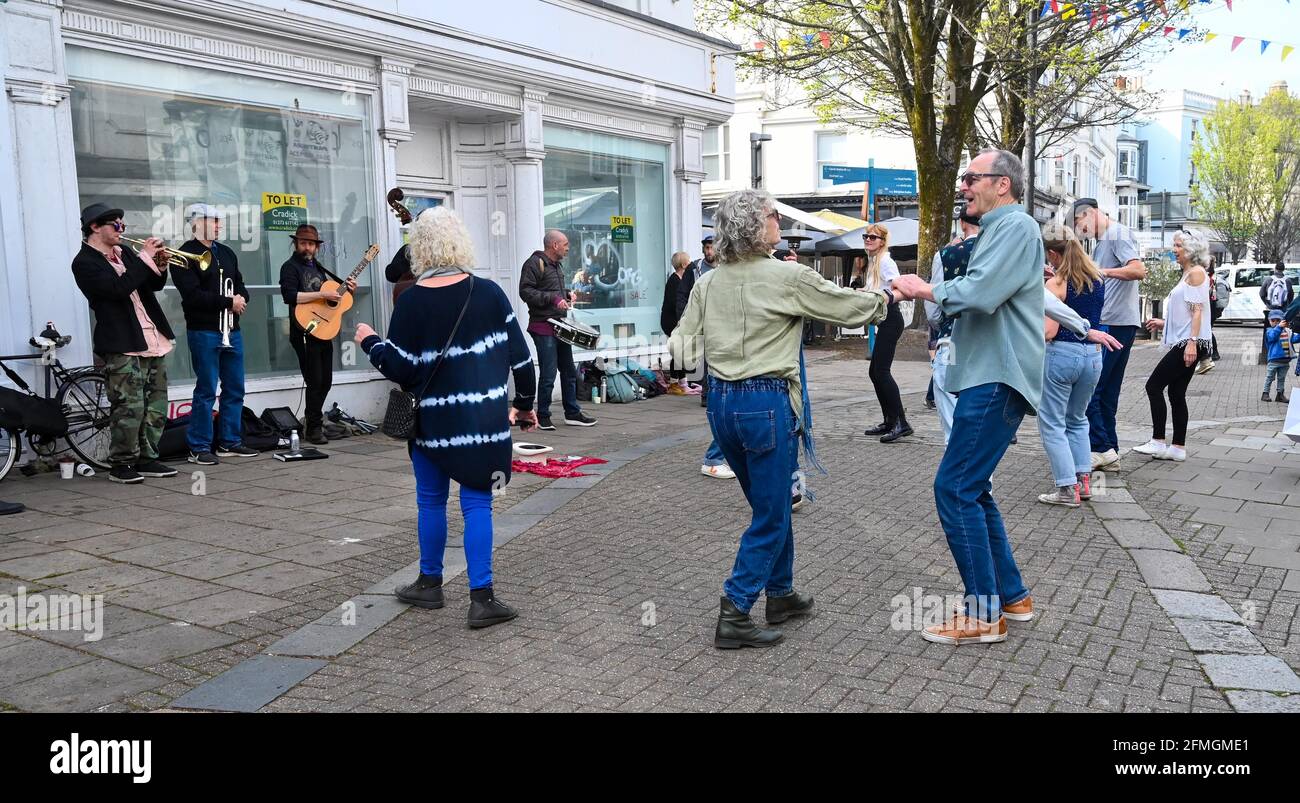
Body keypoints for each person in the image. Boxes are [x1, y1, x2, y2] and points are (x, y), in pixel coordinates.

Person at [670, 188, 889, 650]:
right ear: (755, 225)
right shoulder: (787, 276)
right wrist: (888, 297)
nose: (779, 223)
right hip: (766, 403)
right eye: (773, 216)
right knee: (771, 514)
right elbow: (847, 307)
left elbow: (682, 351)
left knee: (770, 506)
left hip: (722, 405)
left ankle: (781, 594)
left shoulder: (708, 281)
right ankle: (735, 609)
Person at [356, 207, 538, 629]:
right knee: (478, 505)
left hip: (432, 426)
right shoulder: (490, 293)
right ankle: (482, 598)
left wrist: (369, 341)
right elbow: (522, 359)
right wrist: (525, 405)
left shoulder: (412, 300)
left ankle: (429, 583)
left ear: (419, 248)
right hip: (484, 424)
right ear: (461, 242)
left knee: (430, 501)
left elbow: (400, 368)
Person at [891, 148, 1044, 646]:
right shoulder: (1005, 231)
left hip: (995, 378)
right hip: (989, 376)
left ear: (1002, 184)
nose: (963, 186)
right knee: (974, 488)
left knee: (954, 488)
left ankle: (983, 614)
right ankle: (1012, 597)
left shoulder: (1015, 227)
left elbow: (979, 293)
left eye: (971, 178)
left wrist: (924, 288)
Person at [70, 203, 179, 485]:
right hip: (121, 340)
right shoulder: (84, 262)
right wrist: (145, 259)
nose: (121, 230)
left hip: (151, 335)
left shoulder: (126, 253)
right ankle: (121, 463)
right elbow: (117, 290)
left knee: (156, 404)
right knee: (129, 406)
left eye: (123, 225)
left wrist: (160, 265)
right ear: (95, 227)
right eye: (115, 225)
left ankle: (148, 457)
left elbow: (150, 286)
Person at [175, 204, 256, 465]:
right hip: (204, 330)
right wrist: (227, 302)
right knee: (207, 389)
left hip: (232, 330)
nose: (220, 225)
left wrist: (241, 298)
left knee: (235, 389)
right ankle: (198, 446)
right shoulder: (184, 254)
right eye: (215, 221)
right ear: (198, 223)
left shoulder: (227, 253)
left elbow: (240, 284)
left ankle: (230, 441)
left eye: (220, 221)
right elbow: (192, 295)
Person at [1073, 198, 1146, 473]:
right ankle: (1109, 450)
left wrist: (1101, 271)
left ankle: (1101, 448)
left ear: (1090, 214)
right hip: (1118, 323)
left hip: (1113, 324)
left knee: (1091, 388)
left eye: (1080, 224)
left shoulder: (1117, 234)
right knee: (1106, 392)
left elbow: (1138, 269)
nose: (1082, 231)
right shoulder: (1106, 240)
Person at [1036, 224, 1106, 507]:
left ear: (1054, 254)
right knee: (1078, 420)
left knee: (1051, 423)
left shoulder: (1056, 284)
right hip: (1093, 355)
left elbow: (1049, 332)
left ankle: (1067, 488)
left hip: (1062, 356)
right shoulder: (1097, 278)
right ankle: (1084, 481)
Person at [1131, 229, 1214, 463]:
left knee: (1153, 386)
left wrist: (1192, 344)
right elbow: (1190, 312)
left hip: (1187, 343)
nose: (1174, 250)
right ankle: (1177, 448)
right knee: (1177, 393)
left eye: (1178, 245)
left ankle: (1158, 442)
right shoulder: (1188, 272)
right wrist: (1164, 322)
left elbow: (1198, 312)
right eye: (1174, 245)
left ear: (1190, 249)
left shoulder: (1196, 273)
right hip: (1186, 340)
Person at [279, 224, 357, 445]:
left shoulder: (319, 268)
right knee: (314, 381)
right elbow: (289, 296)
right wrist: (321, 292)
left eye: (311, 244)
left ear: (317, 247)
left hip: (324, 330)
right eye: (303, 243)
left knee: (326, 381)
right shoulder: (290, 267)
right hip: (303, 330)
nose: (307, 248)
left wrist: (349, 290)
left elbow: (329, 300)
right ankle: (313, 428)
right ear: (296, 244)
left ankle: (313, 422)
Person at [519, 229, 597, 431]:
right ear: (554, 245)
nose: (568, 248)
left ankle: (572, 413)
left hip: (561, 326)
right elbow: (525, 291)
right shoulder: (534, 263)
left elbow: (553, 290)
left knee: (569, 370)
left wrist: (567, 294)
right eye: (565, 244)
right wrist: (554, 299)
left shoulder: (556, 265)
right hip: (543, 325)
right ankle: (543, 416)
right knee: (548, 372)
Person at [851, 224, 910, 443]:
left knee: (881, 372)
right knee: (875, 372)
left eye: (873, 237)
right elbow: (875, 289)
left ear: (882, 241)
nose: (868, 240)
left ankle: (901, 423)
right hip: (884, 319)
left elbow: (899, 287)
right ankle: (889, 420)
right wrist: (856, 293)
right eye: (866, 236)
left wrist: (886, 297)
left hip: (891, 318)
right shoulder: (875, 262)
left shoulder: (886, 261)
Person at [661, 252, 690, 395]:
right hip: (671, 321)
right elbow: (676, 304)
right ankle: (675, 383)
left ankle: (681, 382)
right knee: (679, 351)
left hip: (675, 320)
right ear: (684, 264)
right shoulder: (675, 281)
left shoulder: (678, 280)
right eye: (688, 262)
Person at [1261, 310, 1297, 403]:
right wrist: (1279, 327)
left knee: (1281, 378)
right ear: (1269, 321)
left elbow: (1294, 338)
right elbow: (1272, 337)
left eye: (1278, 320)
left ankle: (1280, 394)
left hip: (1285, 361)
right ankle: (1265, 393)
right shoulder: (1269, 331)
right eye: (1273, 320)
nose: (1276, 322)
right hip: (1274, 360)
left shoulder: (1288, 331)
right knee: (1270, 377)